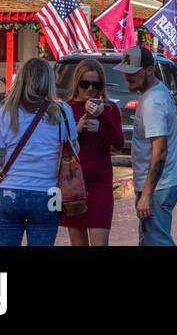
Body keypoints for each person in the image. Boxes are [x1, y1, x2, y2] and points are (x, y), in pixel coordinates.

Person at [0, 58, 78, 247]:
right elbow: (74, 151)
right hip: (48, 194)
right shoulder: (63, 112)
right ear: (49, 81)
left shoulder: (4, 113)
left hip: (9, 191)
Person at [119, 46, 177, 246]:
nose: (128, 77)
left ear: (149, 69)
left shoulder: (152, 102)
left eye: (133, 72)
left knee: (157, 240)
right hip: (160, 184)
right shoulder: (153, 93)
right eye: (126, 72)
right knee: (151, 239)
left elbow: (160, 149)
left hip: (158, 186)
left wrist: (146, 194)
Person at [61, 58, 124, 245]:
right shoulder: (68, 108)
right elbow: (59, 147)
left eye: (95, 85)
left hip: (100, 185)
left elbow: (118, 143)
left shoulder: (110, 109)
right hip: (74, 184)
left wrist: (101, 116)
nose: (89, 89)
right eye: (85, 84)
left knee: (100, 241)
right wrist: (77, 130)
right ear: (77, 83)